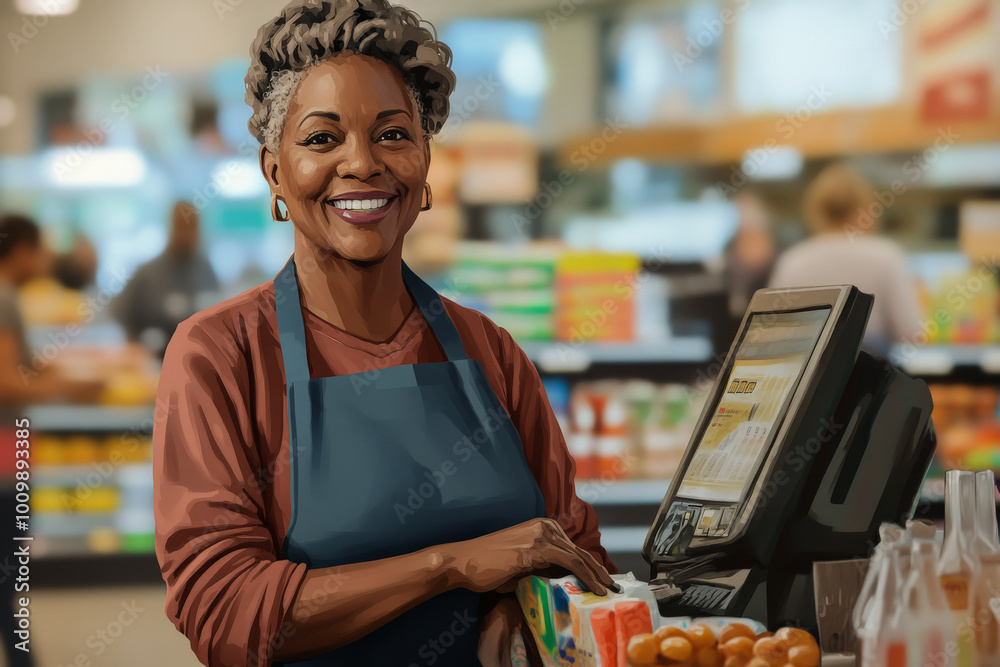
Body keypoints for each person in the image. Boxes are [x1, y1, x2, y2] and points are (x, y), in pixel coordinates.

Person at [152, 2, 615, 667]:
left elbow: (578, 556)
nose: (362, 163)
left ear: (425, 162)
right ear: (274, 171)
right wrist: (450, 566)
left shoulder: (490, 350)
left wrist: (522, 603)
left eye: (393, 134)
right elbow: (226, 612)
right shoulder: (221, 355)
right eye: (322, 139)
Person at [0, 214, 104, 667]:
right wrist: (66, 389)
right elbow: (7, 383)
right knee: (10, 570)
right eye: (39, 249)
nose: (45, 259)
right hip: (6, 453)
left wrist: (71, 377)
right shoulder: (5, 299)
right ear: (21, 251)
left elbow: (21, 367)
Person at [768, 163, 924, 349]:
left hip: (810, 365)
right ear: (866, 207)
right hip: (871, 365)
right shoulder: (886, 256)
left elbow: (775, 331)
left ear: (815, 209)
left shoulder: (793, 261)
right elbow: (909, 331)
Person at [110, 201, 219, 357]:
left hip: (197, 361)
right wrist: (136, 347)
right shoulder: (148, 274)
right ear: (171, 227)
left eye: (191, 226)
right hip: (155, 362)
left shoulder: (206, 272)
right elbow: (121, 312)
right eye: (181, 225)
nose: (186, 233)